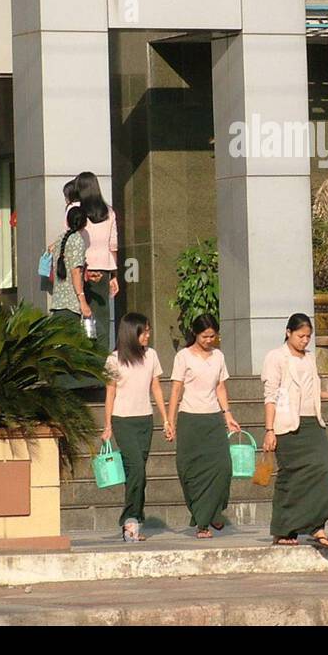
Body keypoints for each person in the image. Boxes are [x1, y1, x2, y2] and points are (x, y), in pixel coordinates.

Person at [262, 313, 328, 548]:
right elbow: (271, 395)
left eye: (308, 336)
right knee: (292, 477)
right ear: (288, 332)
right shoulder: (276, 357)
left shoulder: (310, 358)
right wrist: (269, 429)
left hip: (312, 423)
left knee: (322, 470)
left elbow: (308, 388)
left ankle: (317, 526)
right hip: (287, 425)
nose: (304, 340)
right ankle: (283, 529)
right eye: (300, 335)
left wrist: (327, 395)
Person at [101, 312, 173, 542]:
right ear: (132, 333)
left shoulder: (151, 356)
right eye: (144, 331)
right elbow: (110, 393)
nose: (148, 336)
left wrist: (165, 419)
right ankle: (130, 519)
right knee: (137, 470)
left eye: (149, 331)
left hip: (145, 420)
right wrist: (107, 425)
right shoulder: (114, 359)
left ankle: (133, 522)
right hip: (123, 420)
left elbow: (156, 388)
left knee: (138, 474)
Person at [169, 314, 241, 538]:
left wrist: (227, 414)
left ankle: (214, 511)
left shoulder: (218, 356)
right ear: (195, 333)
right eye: (205, 336)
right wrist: (169, 421)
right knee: (190, 471)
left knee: (223, 467)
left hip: (213, 419)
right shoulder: (183, 357)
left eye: (213, 336)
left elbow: (220, 387)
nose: (209, 340)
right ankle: (203, 523)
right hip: (190, 419)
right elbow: (176, 390)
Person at [76, 172, 118, 353]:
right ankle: (101, 359)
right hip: (104, 268)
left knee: (83, 315)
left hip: (81, 269)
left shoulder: (76, 210)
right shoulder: (109, 211)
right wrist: (113, 275)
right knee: (102, 317)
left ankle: (85, 358)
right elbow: (113, 245)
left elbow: (71, 241)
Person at [46, 206, 89, 319]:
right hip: (71, 305)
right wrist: (83, 301)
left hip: (57, 304)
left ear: (67, 221)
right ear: (85, 223)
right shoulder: (78, 241)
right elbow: (75, 272)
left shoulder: (60, 240)